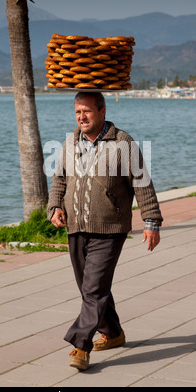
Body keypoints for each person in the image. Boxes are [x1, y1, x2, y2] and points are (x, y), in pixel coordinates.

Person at [47, 91, 163, 370]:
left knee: (93, 288)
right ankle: (113, 333)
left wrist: (151, 222)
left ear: (102, 111)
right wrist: (54, 208)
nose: (81, 117)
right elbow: (59, 179)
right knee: (91, 289)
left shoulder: (123, 142)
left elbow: (142, 184)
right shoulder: (70, 141)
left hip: (110, 228)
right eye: (77, 112)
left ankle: (80, 345)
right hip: (75, 227)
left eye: (86, 111)